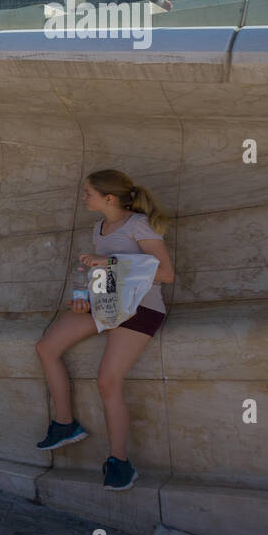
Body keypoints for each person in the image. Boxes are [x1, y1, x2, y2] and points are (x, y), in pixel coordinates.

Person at [33, 170, 174, 492]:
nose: (83, 198)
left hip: (141, 310)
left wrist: (106, 261)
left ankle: (119, 462)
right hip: (109, 304)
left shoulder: (139, 224)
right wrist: (84, 300)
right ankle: (65, 424)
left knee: (107, 381)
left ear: (108, 198)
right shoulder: (99, 227)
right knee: (46, 348)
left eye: (88, 193)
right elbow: (109, 276)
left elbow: (165, 274)